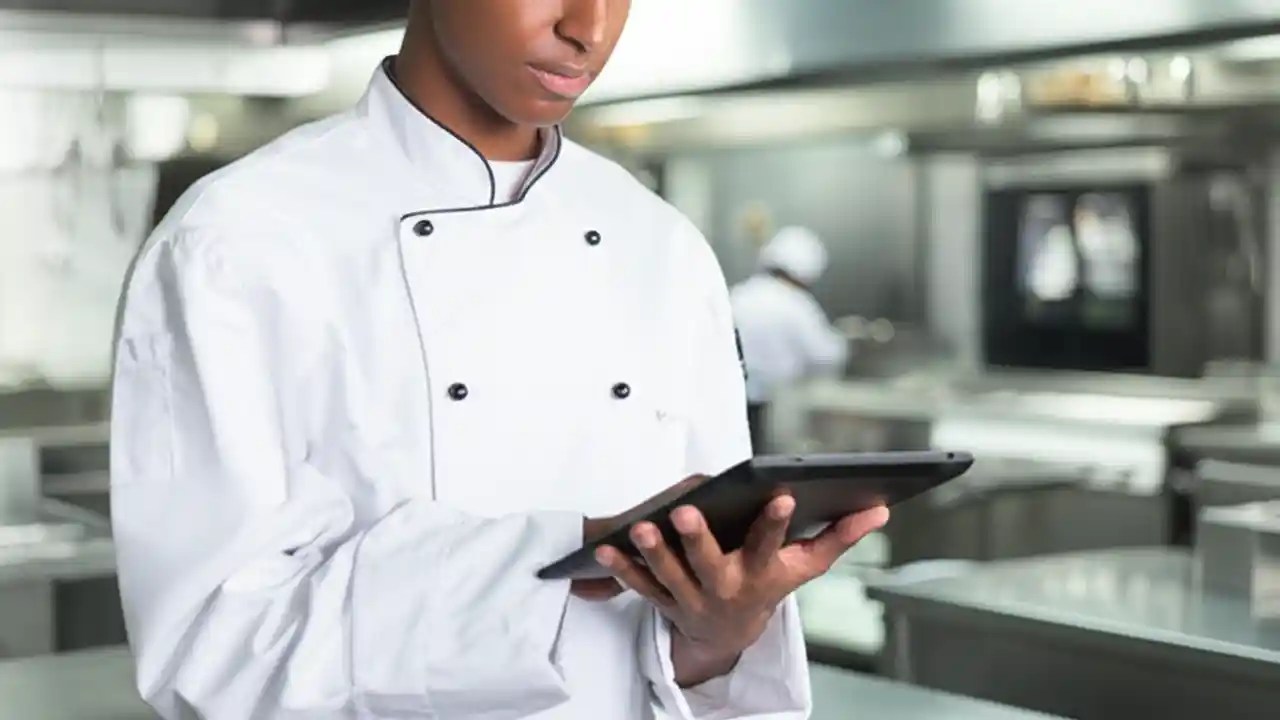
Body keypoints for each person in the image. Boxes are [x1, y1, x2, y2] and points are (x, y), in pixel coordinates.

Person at [110, 2, 887, 718]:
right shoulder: (235, 242)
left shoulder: (663, 247)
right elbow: (211, 651)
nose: (590, 28)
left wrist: (717, 632)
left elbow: (692, 668)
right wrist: (563, 554)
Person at [730, 227, 849, 452]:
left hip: (729, 406)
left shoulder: (739, 295)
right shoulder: (797, 305)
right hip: (775, 409)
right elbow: (827, 356)